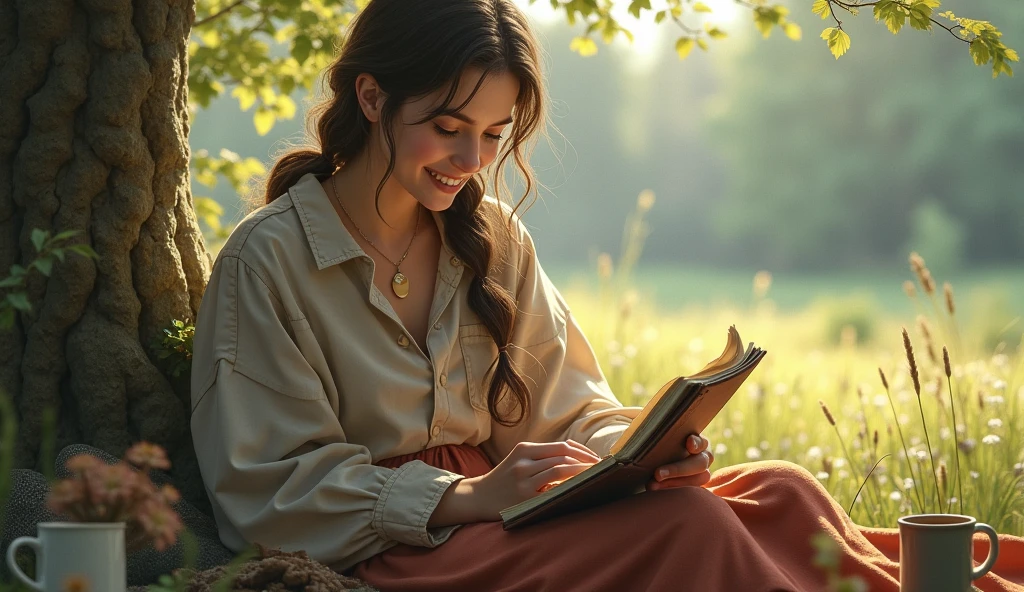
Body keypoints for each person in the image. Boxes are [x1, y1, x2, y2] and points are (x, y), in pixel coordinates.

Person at [189, 0, 1024, 590]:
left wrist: (644, 450)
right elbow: (267, 489)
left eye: (492, 135)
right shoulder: (271, 261)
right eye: (448, 128)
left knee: (781, 487)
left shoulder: (489, 240)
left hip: (506, 515)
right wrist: (467, 496)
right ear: (371, 97)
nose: (471, 161)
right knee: (691, 532)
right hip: (398, 544)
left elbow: (572, 407)